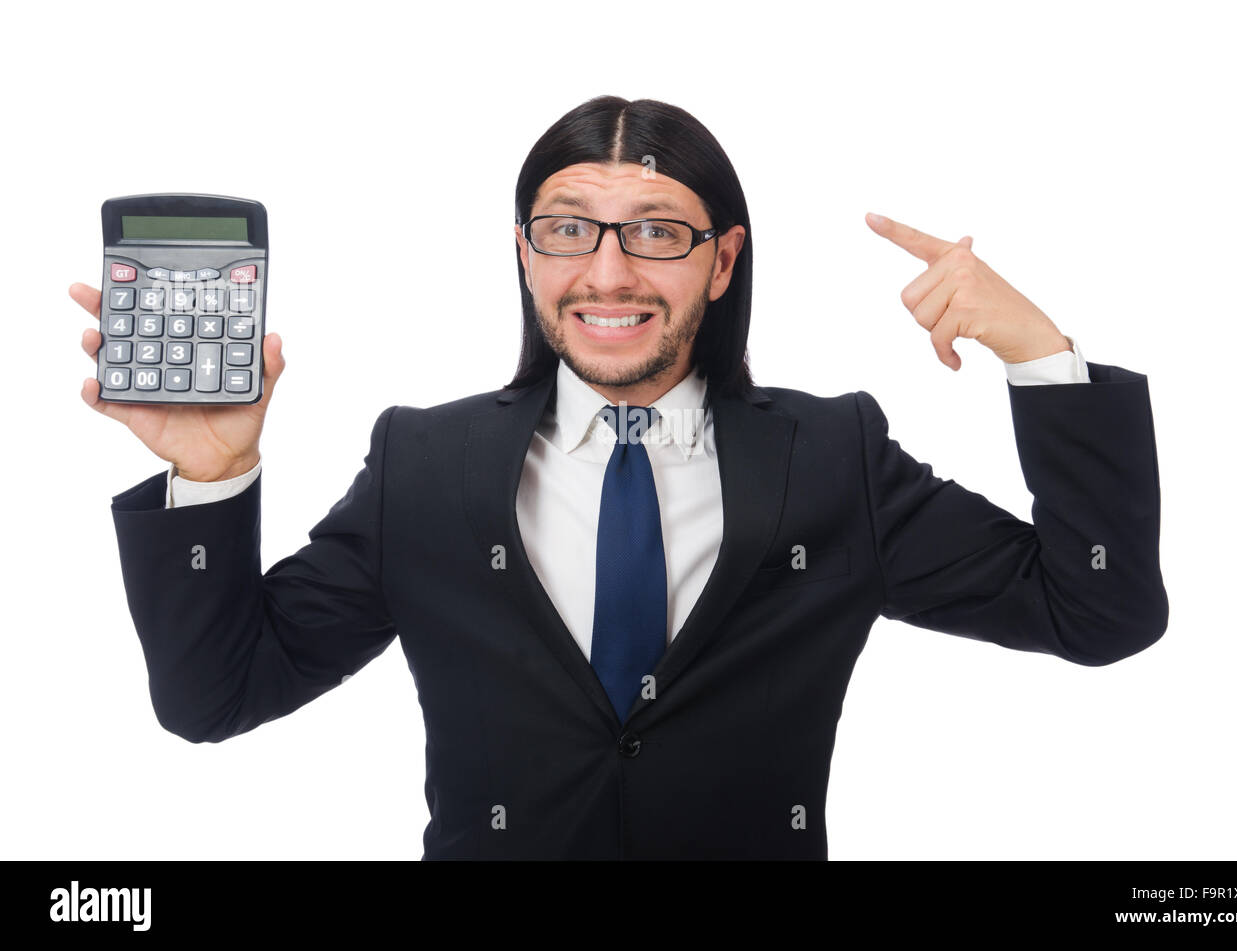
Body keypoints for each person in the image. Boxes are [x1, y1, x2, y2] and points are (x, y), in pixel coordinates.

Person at [72, 95, 1168, 860]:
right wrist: (213, 478)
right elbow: (217, 696)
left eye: (653, 231)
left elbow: (1098, 609)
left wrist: (1042, 360)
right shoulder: (426, 465)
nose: (607, 271)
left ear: (721, 261)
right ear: (524, 253)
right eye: (567, 231)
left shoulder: (831, 460)